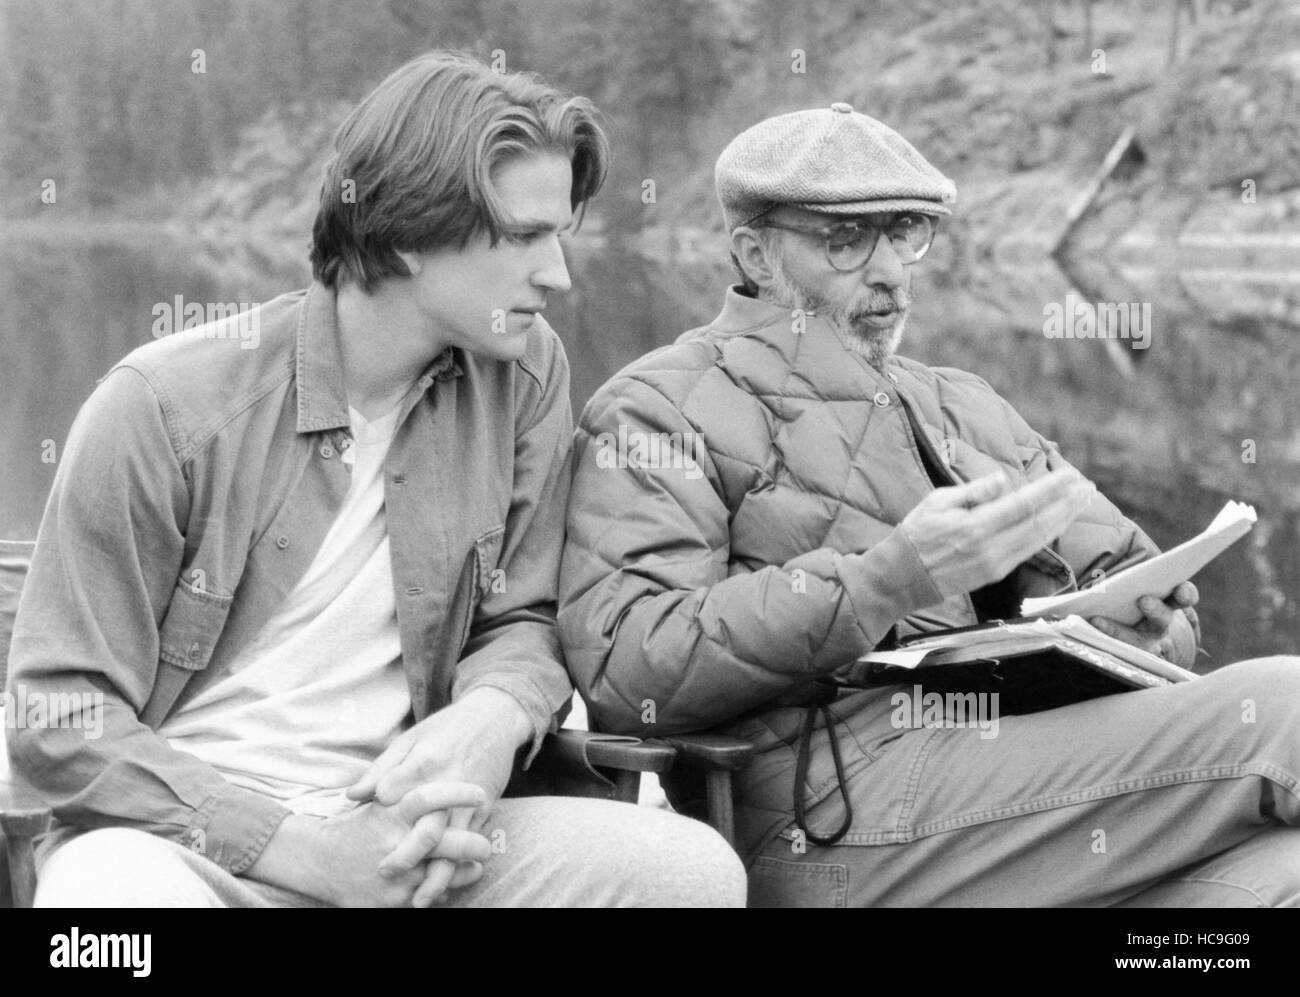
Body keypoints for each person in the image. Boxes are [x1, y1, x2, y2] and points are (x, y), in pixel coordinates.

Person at [7, 51, 745, 909]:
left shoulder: (525, 373)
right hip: (180, 846)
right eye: (522, 237)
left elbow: (526, 617)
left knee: (688, 873)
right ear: (402, 234)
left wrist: (493, 716)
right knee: (103, 920)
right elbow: (57, 720)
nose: (559, 275)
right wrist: (303, 850)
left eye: (561, 236)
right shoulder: (163, 407)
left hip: (417, 838)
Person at [558, 102, 1300, 907]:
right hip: (827, 809)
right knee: (1288, 707)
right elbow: (627, 665)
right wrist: (884, 580)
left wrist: (1149, 624)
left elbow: (1137, 572)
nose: (890, 270)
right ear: (753, 252)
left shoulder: (963, 400)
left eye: (906, 232)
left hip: (1027, 777)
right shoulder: (658, 407)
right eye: (846, 240)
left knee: (1272, 878)